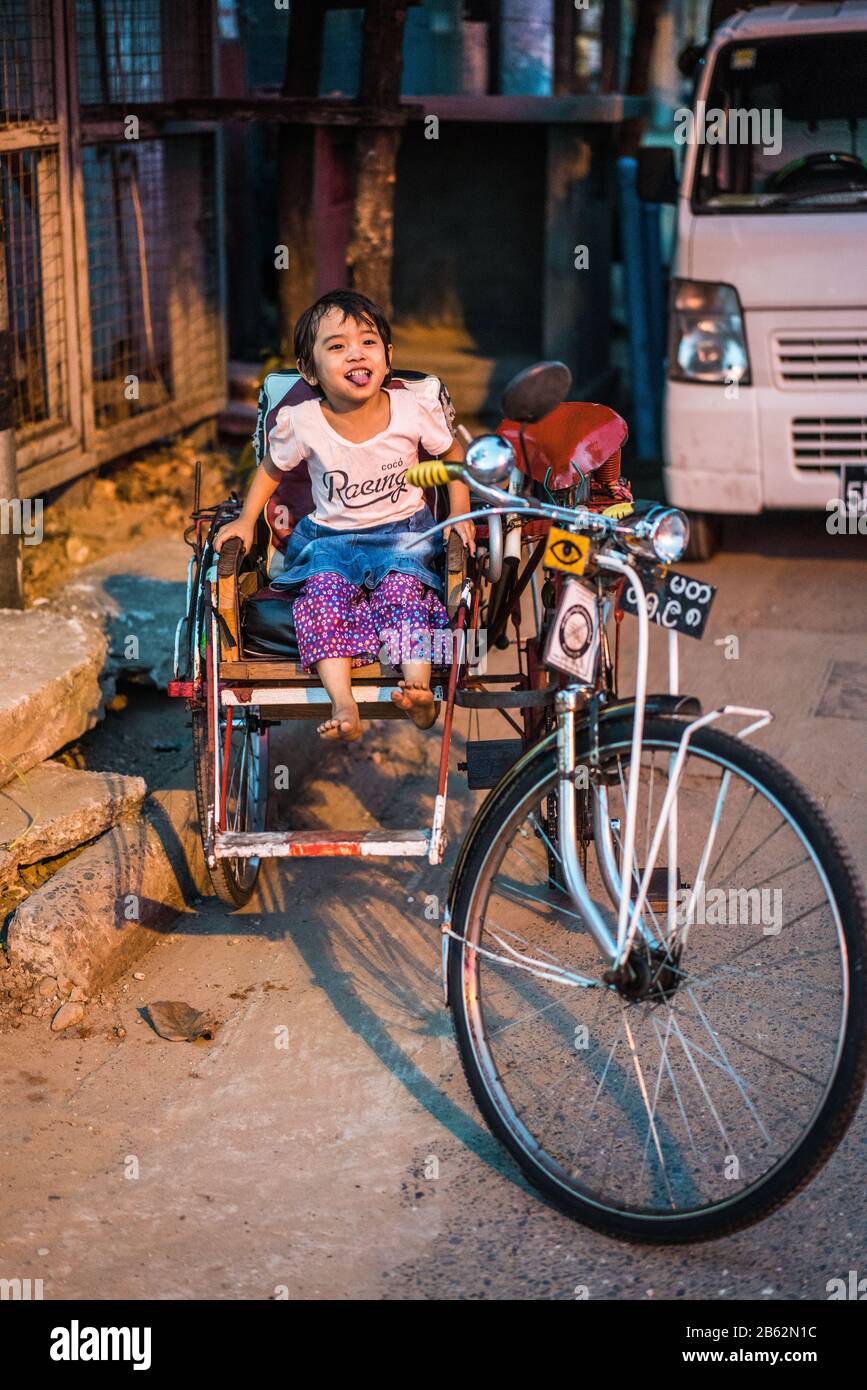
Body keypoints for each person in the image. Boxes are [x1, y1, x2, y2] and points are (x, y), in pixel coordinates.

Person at [214, 290, 475, 742]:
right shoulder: (303, 421)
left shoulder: (412, 410)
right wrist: (244, 520)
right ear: (309, 371)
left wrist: (460, 515)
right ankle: (344, 703)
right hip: (331, 540)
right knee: (321, 599)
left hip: (402, 537)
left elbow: (453, 457)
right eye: (337, 346)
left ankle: (418, 689)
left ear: (388, 358)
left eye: (368, 342)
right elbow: (271, 470)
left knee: (404, 592)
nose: (356, 352)